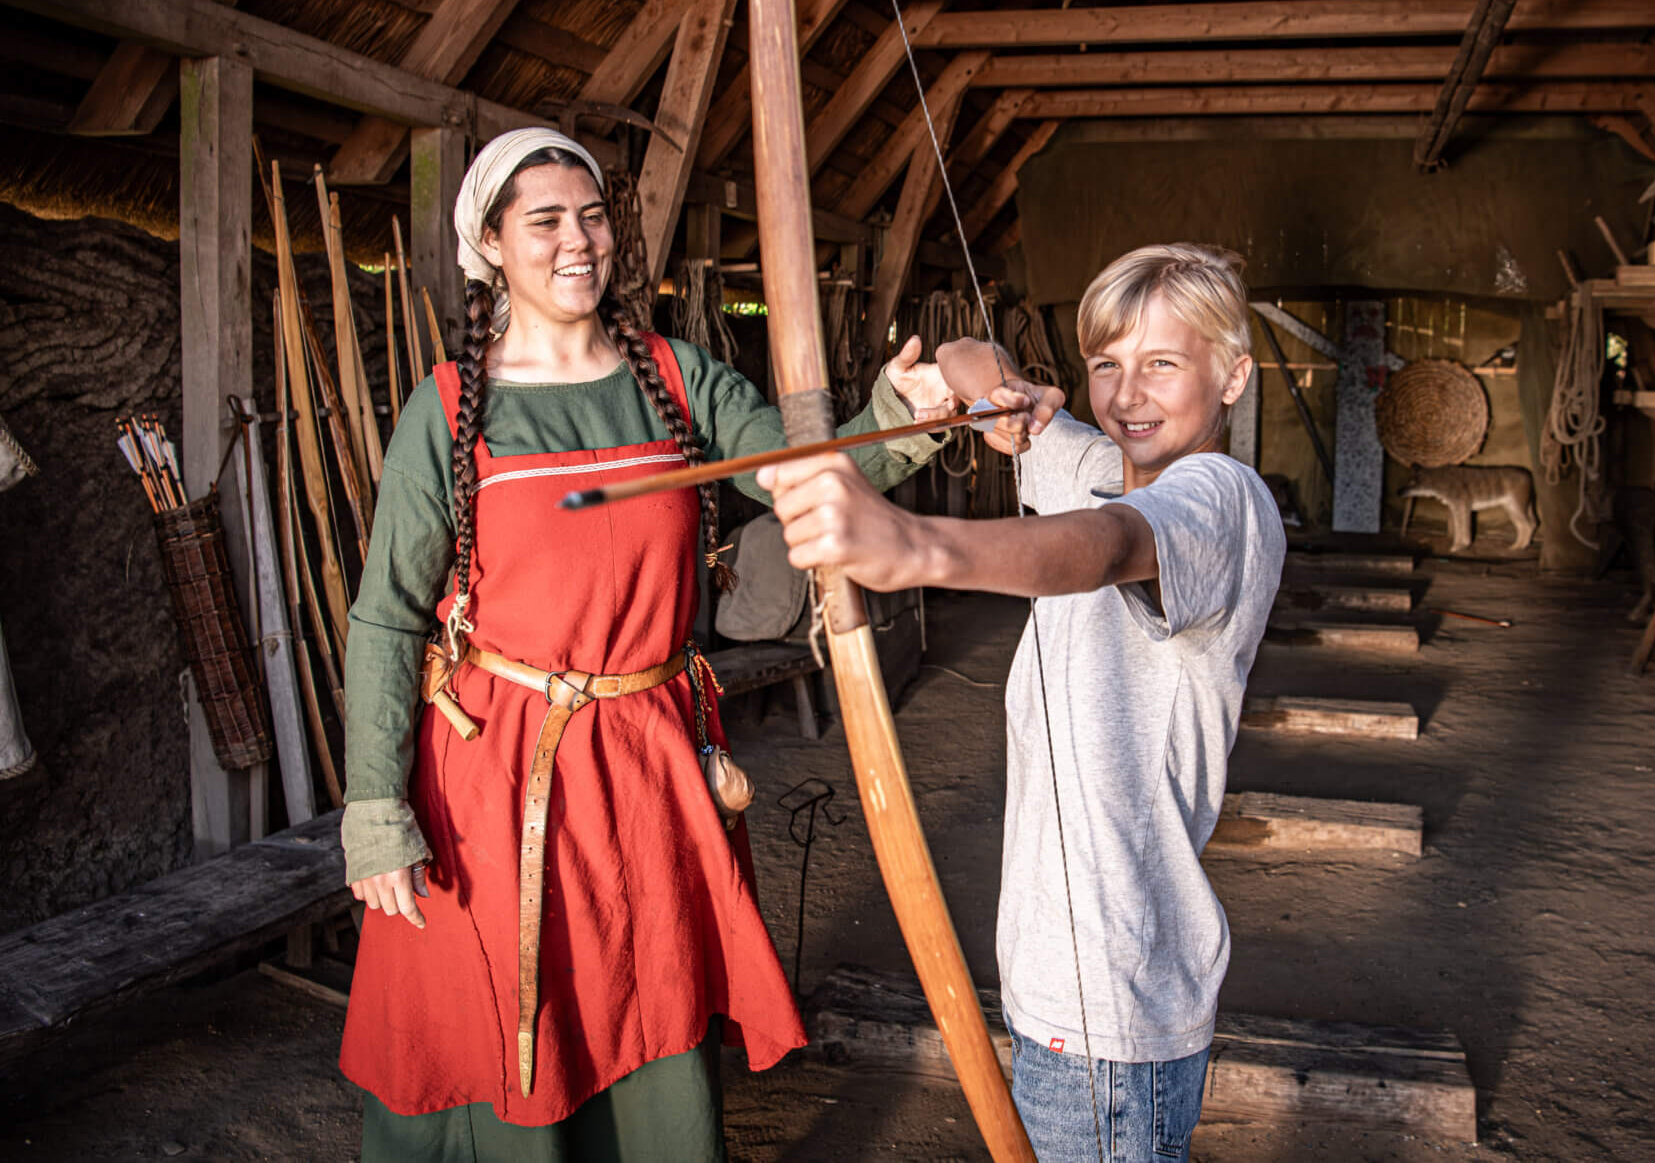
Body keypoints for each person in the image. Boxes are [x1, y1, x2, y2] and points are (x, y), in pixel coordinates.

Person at [338, 127, 971, 1159]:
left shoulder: (677, 380)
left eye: (591, 218)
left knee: (647, 997)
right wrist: (374, 805)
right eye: (543, 221)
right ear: (491, 245)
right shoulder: (450, 409)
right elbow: (386, 616)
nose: (576, 241)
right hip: (498, 776)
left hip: (645, 763)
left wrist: (901, 417)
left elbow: (803, 476)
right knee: (502, 1017)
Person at [762, 243, 1285, 1161]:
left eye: (1164, 363)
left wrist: (916, 545)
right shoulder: (1084, 461)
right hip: (1056, 978)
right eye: (1107, 364)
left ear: (1233, 375)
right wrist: (1005, 396)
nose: (1129, 393)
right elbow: (963, 351)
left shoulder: (1221, 500)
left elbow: (1105, 543)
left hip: (1117, 1007)